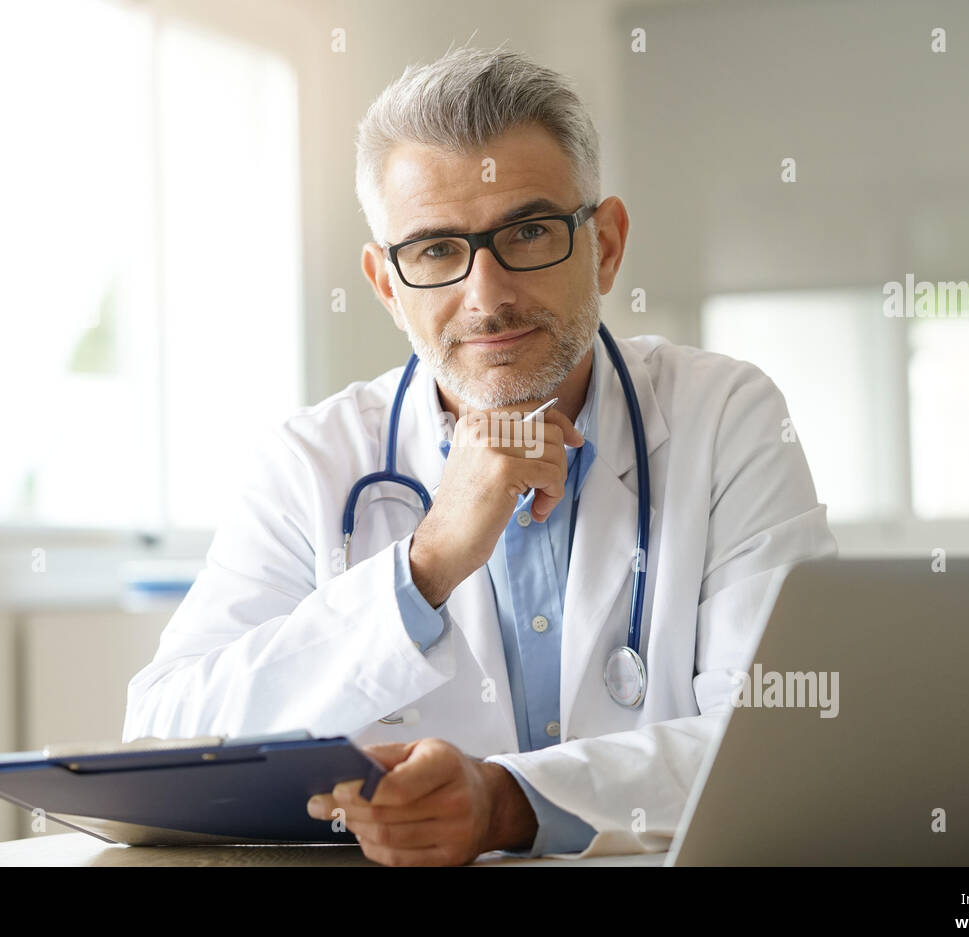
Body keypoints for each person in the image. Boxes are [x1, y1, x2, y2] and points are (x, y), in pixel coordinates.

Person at [122, 45, 838, 866]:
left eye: (528, 232)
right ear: (387, 286)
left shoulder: (725, 417)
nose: (487, 296)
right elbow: (162, 747)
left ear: (605, 245)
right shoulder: (310, 462)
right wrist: (422, 567)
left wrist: (507, 803)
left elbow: (788, 742)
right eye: (435, 250)